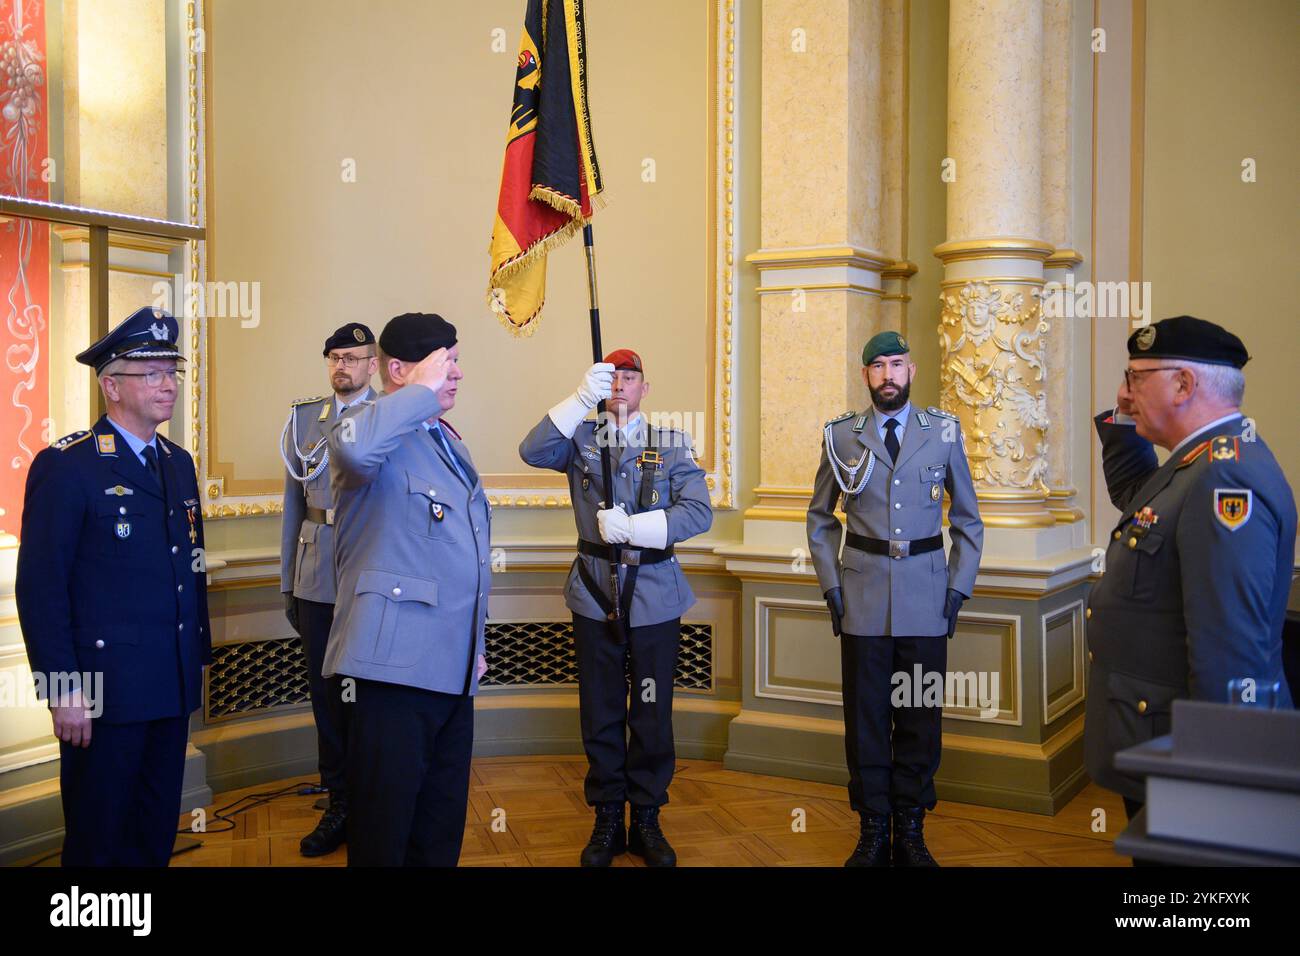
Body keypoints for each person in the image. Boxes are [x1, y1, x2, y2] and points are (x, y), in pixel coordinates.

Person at [16, 306, 211, 866]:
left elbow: (188, 567)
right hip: (102, 694)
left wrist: (194, 659)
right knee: (98, 837)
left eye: (171, 370)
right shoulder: (69, 466)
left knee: (153, 831)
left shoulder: (178, 463)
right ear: (111, 385)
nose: (168, 384)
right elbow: (41, 586)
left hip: (168, 684)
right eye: (151, 372)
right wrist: (62, 688)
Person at [1087, 315, 1295, 827]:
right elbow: (1142, 499)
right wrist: (1126, 410)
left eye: (1136, 377)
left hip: (1185, 748)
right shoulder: (1196, 463)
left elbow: (1231, 651)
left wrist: (1216, 781)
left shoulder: (1223, 479)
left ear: (1184, 383)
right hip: (1157, 735)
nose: (1124, 391)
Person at [519, 349, 712, 867]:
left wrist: (636, 529)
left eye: (630, 378)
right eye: (612, 379)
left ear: (645, 388)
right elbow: (531, 450)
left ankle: (646, 815)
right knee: (601, 709)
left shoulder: (670, 444)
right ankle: (607, 814)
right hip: (595, 589)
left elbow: (698, 513)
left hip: (652, 591)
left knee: (651, 711)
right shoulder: (581, 439)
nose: (621, 386)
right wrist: (580, 397)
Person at [806, 331, 983, 867]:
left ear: (912, 371)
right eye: (878, 365)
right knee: (865, 719)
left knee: (918, 717)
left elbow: (968, 520)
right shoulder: (842, 436)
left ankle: (910, 827)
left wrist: (956, 589)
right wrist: (832, 586)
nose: (888, 374)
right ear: (866, 376)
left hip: (927, 600)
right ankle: (872, 827)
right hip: (861, 596)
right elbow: (819, 519)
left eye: (897, 364)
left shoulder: (944, 432)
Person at [323, 312, 490, 867]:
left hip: (450, 667)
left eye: (457, 360)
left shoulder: (445, 442)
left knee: (437, 830)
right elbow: (350, 451)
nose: (457, 374)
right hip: (391, 672)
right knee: (383, 835)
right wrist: (418, 392)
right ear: (397, 370)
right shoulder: (369, 428)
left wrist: (475, 647)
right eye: (445, 362)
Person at [279, 322, 377, 857]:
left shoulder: (391, 416)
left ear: (373, 364)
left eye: (353, 357)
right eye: (335, 357)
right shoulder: (305, 419)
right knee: (327, 695)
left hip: (369, 574)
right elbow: (295, 504)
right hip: (317, 574)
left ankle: (372, 797)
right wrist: (286, 580)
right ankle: (339, 799)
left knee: (368, 695)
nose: (342, 365)